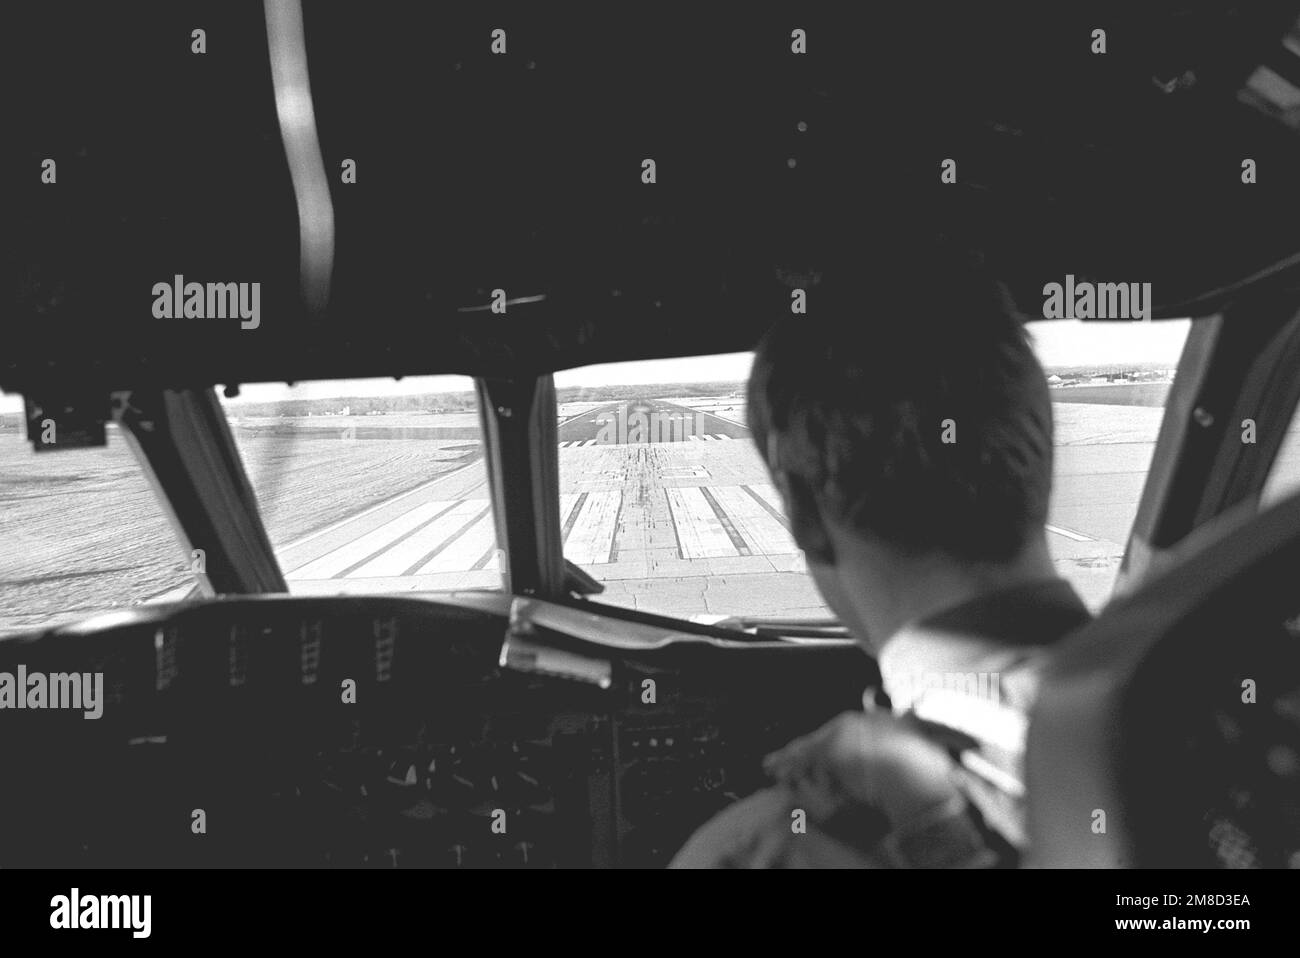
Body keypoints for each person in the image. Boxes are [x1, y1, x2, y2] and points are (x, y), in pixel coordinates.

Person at [671, 261, 1094, 868]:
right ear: (1040, 458)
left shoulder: (771, 851)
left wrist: (930, 822)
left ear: (801, 511)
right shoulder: (1237, 700)